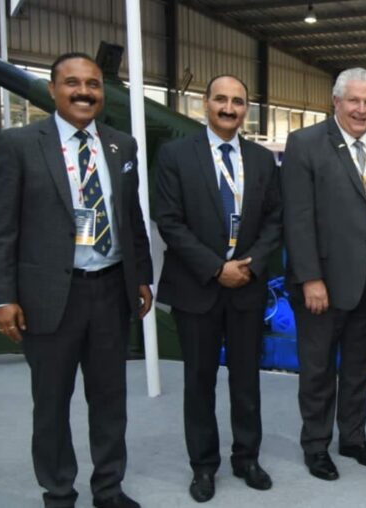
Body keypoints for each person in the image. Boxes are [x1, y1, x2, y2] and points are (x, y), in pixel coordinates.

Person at [0, 52, 153, 508]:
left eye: (93, 84)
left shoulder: (122, 145)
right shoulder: (20, 143)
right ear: (53, 90)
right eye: (73, 83)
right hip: (49, 297)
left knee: (110, 400)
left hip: (110, 290)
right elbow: (1, 229)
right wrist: (2, 297)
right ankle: (58, 490)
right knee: (52, 404)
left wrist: (141, 276)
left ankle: (108, 488)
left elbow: (130, 217)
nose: (85, 92)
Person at [154, 74, 282, 502]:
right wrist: (215, 268)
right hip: (196, 287)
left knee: (247, 381)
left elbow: (274, 220)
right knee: (199, 381)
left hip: (246, 285)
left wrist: (252, 264)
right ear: (205, 104)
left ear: (247, 108)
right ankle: (203, 466)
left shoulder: (262, 160)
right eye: (221, 99)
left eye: (238, 101)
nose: (229, 107)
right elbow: (168, 220)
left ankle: (247, 458)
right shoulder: (175, 155)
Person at [280, 67, 366, 481]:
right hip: (324, 284)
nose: (362, 109)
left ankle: (352, 437)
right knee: (317, 370)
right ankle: (316, 446)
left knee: (358, 367)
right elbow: (296, 218)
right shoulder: (306, 144)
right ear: (336, 102)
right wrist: (310, 278)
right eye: (354, 100)